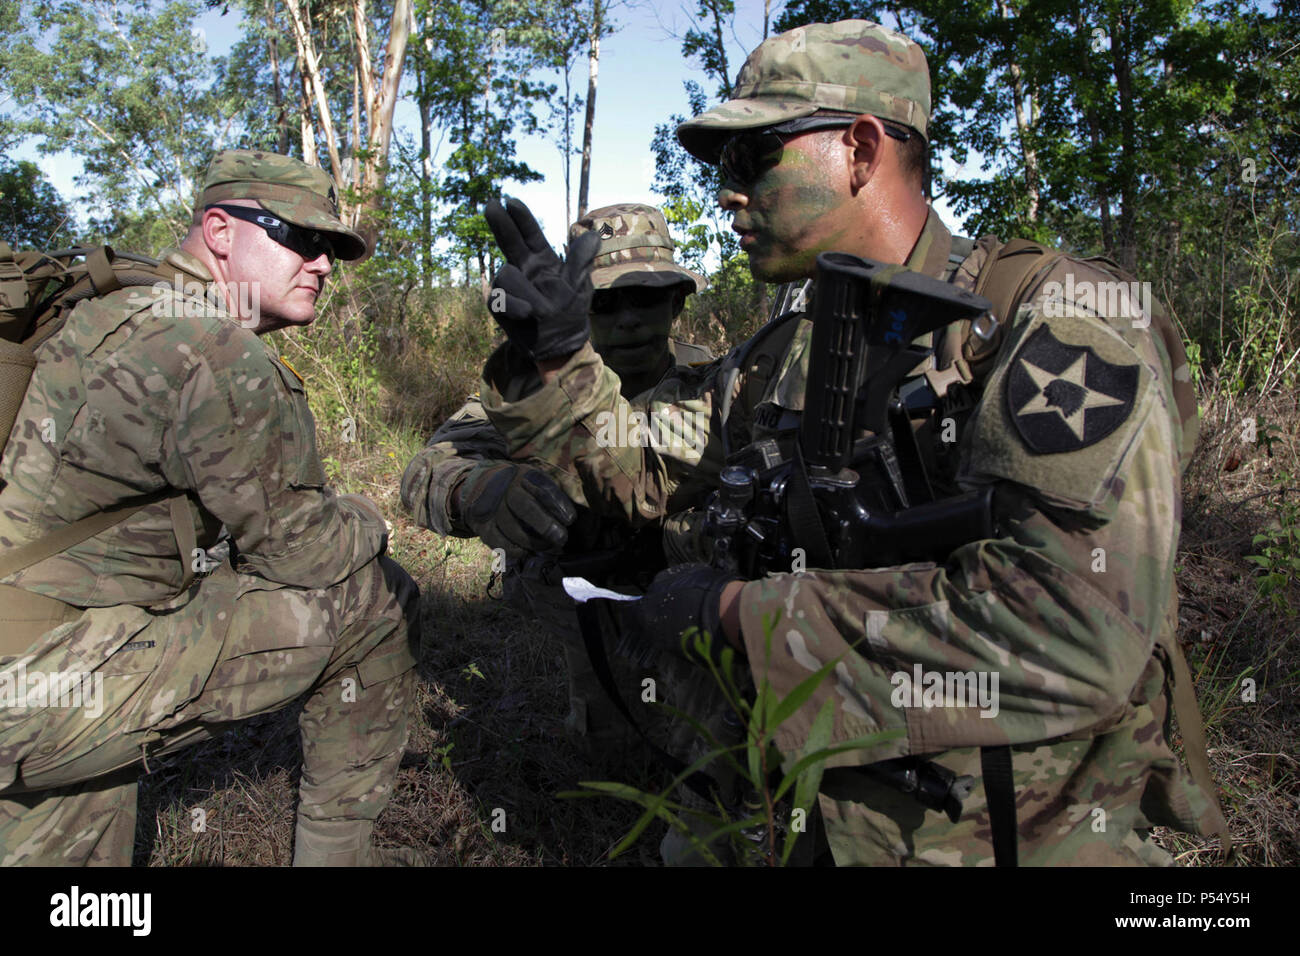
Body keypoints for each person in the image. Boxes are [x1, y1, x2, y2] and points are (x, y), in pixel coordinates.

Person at [476, 20, 1230, 865]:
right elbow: (646, 488)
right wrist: (556, 361)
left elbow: (1068, 627)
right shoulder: (779, 354)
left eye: (749, 160)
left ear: (862, 150)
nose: (727, 193)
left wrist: (734, 614)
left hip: (997, 837)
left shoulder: (1055, 322)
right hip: (788, 807)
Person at [0, 149, 421, 866]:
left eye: (331, 249)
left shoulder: (110, 306)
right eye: (302, 238)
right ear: (221, 232)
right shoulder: (210, 349)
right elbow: (307, 553)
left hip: (31, 651)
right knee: (374, 596)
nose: (323, 264)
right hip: (46, 680)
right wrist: (372, 518)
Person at [401, 203, 712, 764]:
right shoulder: (533, 383)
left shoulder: (711, 382)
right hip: (581, 593)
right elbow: (428, 469)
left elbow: (652, 483)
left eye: (644, 297)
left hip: (691, 598)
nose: (627, 321)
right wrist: (484, 491)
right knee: (609, 760)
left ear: (677, 301)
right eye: (602, 302)